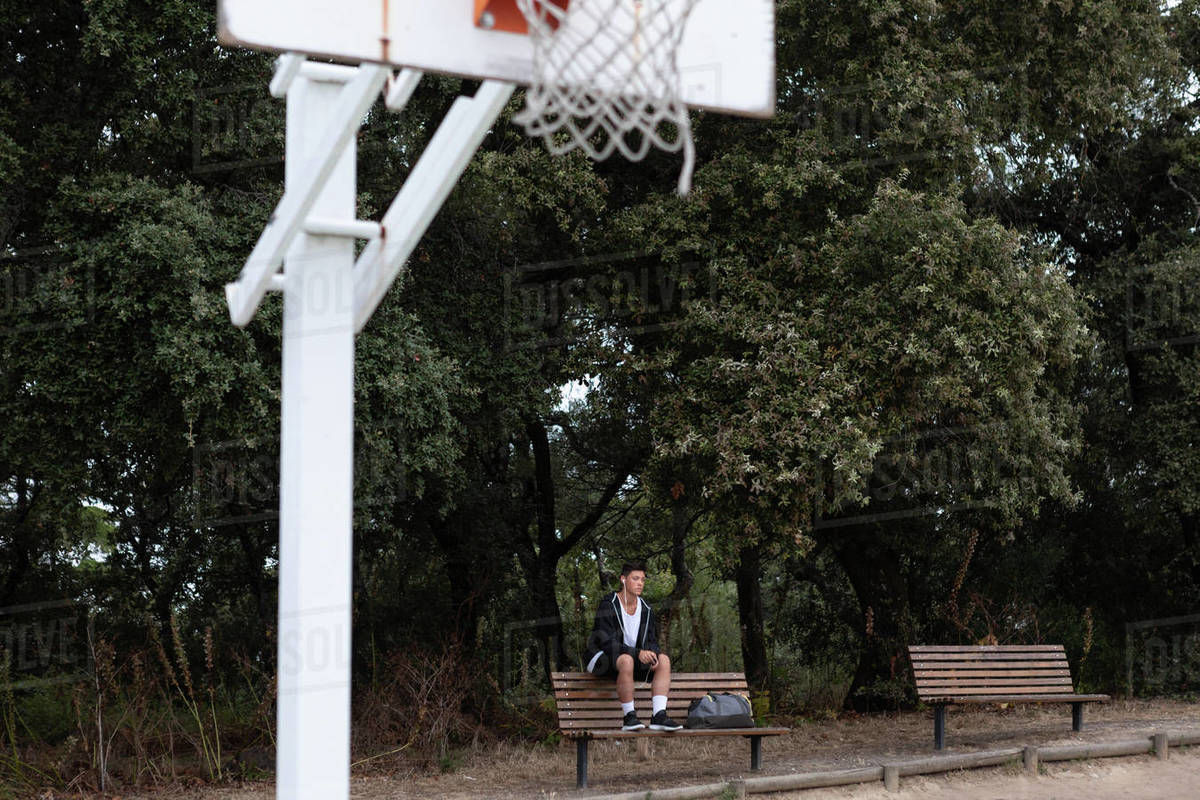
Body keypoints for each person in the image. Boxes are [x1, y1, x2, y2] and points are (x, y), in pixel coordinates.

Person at [583, 561, 684, 731]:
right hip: (601, 657)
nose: (640, 583)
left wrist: (652, 653)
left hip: (630, 658)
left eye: (643, 580)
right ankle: (629, 717)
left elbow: (652, 640)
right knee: (627, 660)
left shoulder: (646, 609)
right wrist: (638, 653)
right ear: (623, 579)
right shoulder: (609, 604)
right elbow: (606, 642)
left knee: (664, 660)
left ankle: (659, 716)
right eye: (635, 578)